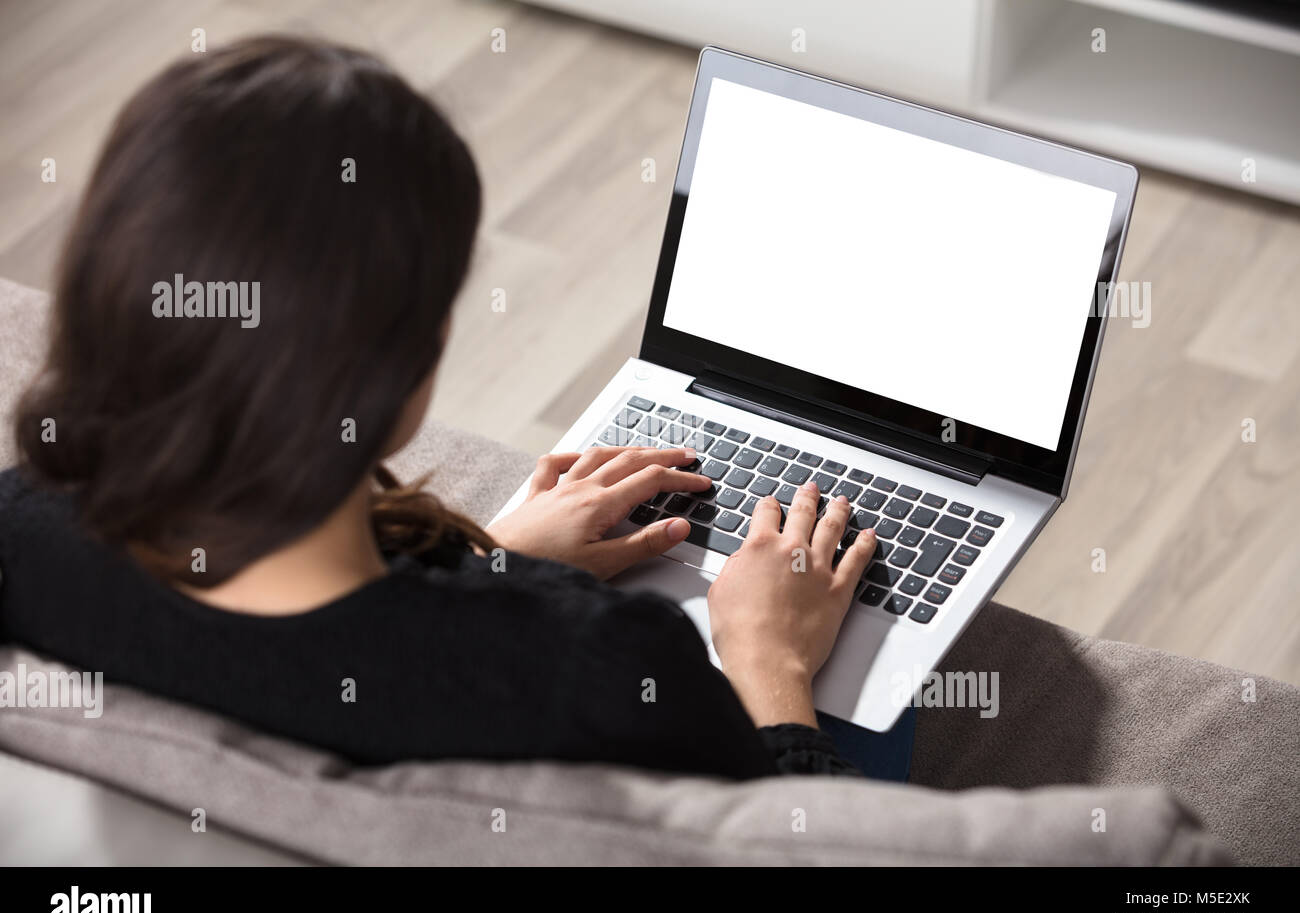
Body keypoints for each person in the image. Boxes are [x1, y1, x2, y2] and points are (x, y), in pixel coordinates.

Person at [0, 35, 913, 780]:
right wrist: (770, 662)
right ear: (410, 361)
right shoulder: (599, 667)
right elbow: (782, 848)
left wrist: (498, 563)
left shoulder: (22, 532)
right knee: (885, 695)